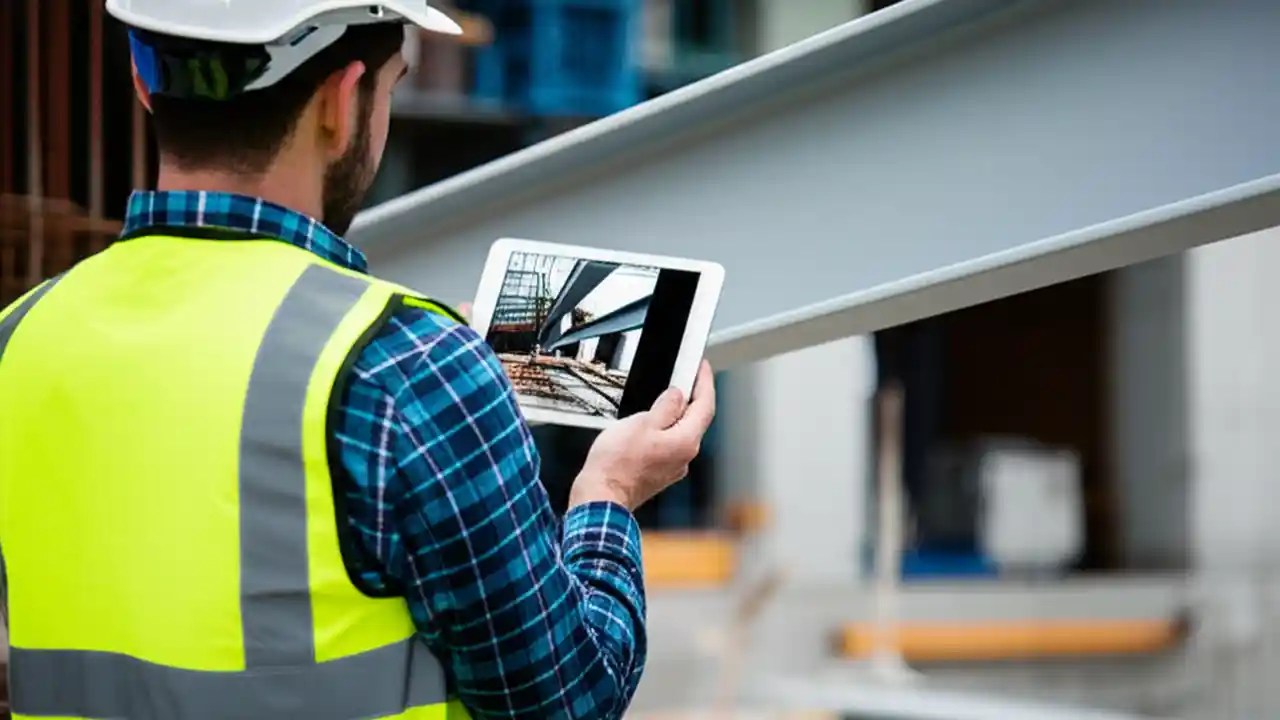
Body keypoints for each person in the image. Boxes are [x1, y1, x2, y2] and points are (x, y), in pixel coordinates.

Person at [0, 2, 716, 718]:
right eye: (393, 86)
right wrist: (609, 494)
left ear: (142, 79)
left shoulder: (19, 338)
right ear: (342, 103)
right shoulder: (405, 367)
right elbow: (565, 702)